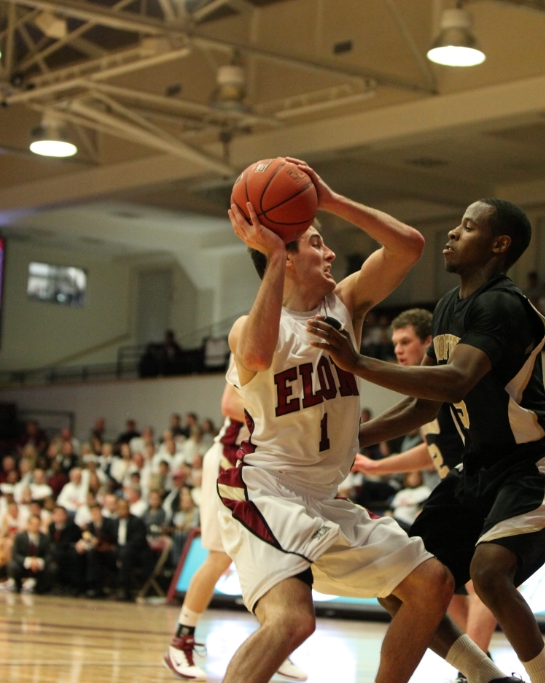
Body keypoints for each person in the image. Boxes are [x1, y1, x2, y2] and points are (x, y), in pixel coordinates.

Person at [311, 197, 545, 683]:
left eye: (468, 227)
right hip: (475, 469)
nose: (452, 234)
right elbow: (425, 406)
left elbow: (456, 381)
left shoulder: (502, 304)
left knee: (489, 571)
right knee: (397, 581)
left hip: (531, 463)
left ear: (499, 245)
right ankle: (485, 677)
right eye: (456, 224)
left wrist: (358, 364)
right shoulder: (446, 309)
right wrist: (352, 441)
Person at [219, 158, 460, 683]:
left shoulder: (344, 303)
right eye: (314, 243)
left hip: (325, 497)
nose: (330, 252)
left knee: (432, 583)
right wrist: (273, 256)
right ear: (283, 253)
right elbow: (257, 357)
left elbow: (409, 247)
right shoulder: (252, 326)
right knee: (291, 623)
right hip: (267, 492)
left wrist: (328, 199)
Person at [351, 308, 500, 661]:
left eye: (406, 342)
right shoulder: (424, 395)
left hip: (485, 485)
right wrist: (378, 467)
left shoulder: (449, 383)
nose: (398, 351)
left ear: (429, 343)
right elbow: (431, 449)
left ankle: (474, 667)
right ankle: (480, 662)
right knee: (447, 584)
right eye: (394, 343)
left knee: (482, 584)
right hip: (456, 491)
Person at [164, 382, 307, 681]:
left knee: (274, 556)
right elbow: (229, 404)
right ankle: (180, 642)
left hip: (262, 465)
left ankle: (276, 643)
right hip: (229, 459)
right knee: (219, 557)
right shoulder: (251, 341)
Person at [8, 514, 54, 594]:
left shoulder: (45, 538)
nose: (35, 526)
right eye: (32, 524)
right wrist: (29, 562)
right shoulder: (20, 537)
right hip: (24, 565)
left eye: (37, 525)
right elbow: (15, 554)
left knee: (52, 568)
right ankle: (18, 587)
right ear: (28, 524)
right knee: (12, 566)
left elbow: (49, 555)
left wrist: (39, 562)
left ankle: (40, 588)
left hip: (39, 565)